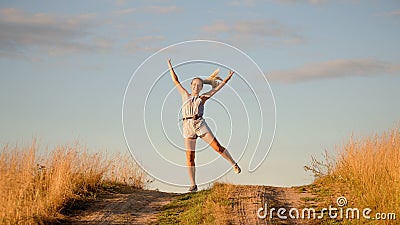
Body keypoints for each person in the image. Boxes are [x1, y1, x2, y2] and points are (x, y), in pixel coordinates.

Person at [167, 59, 241, 192]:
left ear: (201, 88)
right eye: (194, 84)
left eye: (199, 85)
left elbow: (217, 89)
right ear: (191, 85)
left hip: (200, 124)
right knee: (190, 157)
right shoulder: (184, 94)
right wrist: (170, 66)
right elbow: (175, 81)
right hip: (187, 126)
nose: (196, 86)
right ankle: (193, 185)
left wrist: (227, 78)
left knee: (217, 147)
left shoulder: (203, 97)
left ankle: (233, 164)